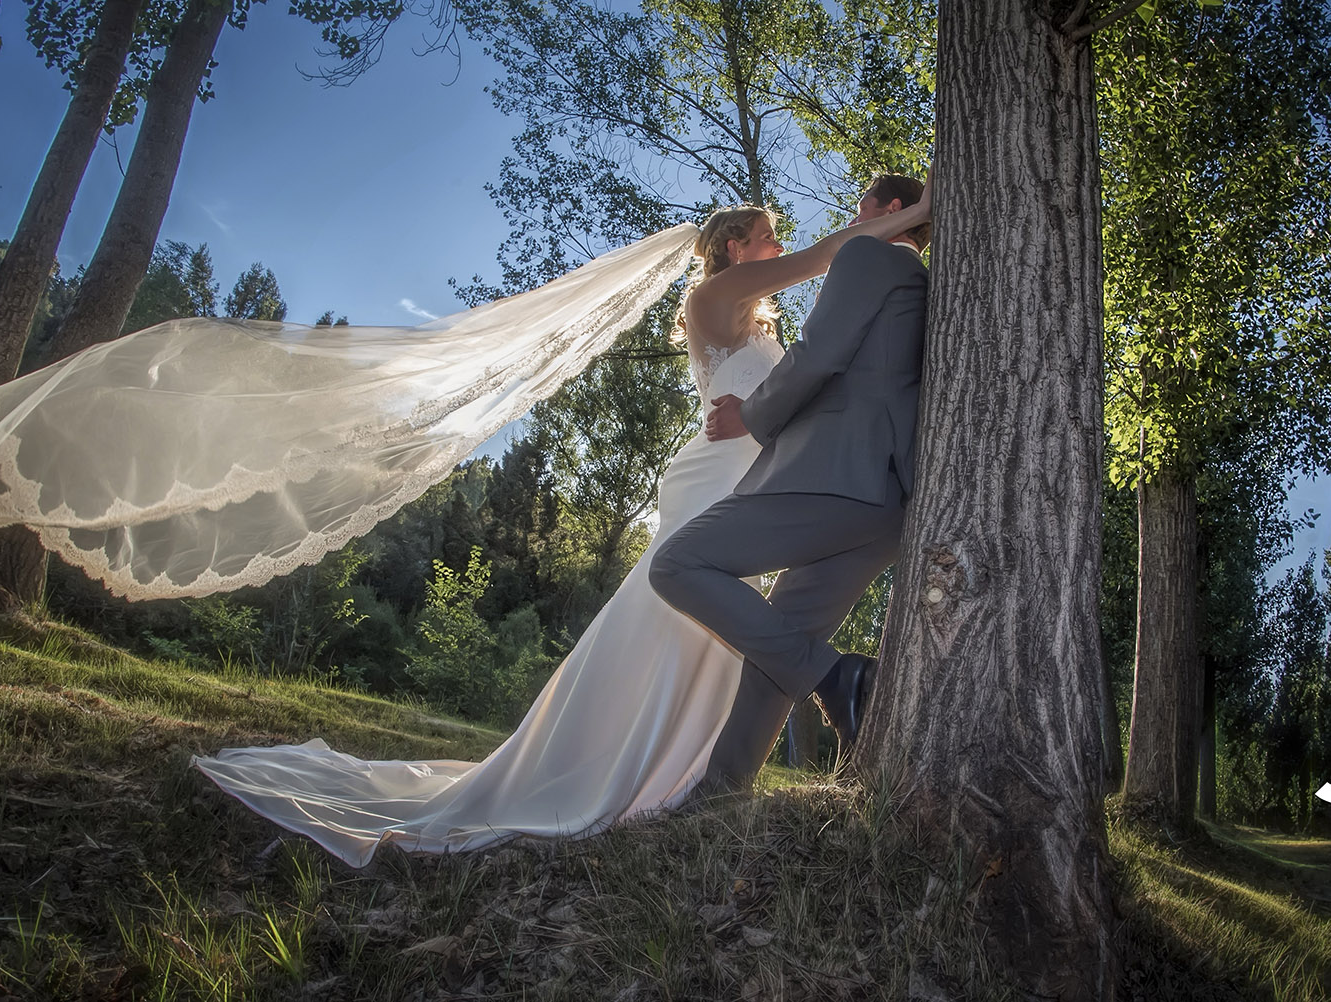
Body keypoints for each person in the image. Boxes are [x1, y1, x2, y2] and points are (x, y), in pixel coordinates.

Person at [189, 182, 930, 865]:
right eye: (766, 237)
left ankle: (711, 783)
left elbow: (821, 365)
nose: (777, 246)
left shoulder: (801, 301)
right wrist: (914, 213)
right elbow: (819, 263)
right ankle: (611, 763)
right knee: (673, 606)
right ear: (734, 246)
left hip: (779, 478)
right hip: (727, 480)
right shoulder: (716, 296)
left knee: (730, 636)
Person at [649, 174, 931, 802]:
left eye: (862, 206)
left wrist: (750, 415)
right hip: (888, 505)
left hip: (832, 478)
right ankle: (718, 796)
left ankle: (841, 681)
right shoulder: (925, 285)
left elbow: (819, 355)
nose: (853, 217)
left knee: (676, 564)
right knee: (784, 645)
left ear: (886, 211)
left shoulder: (869, 254)